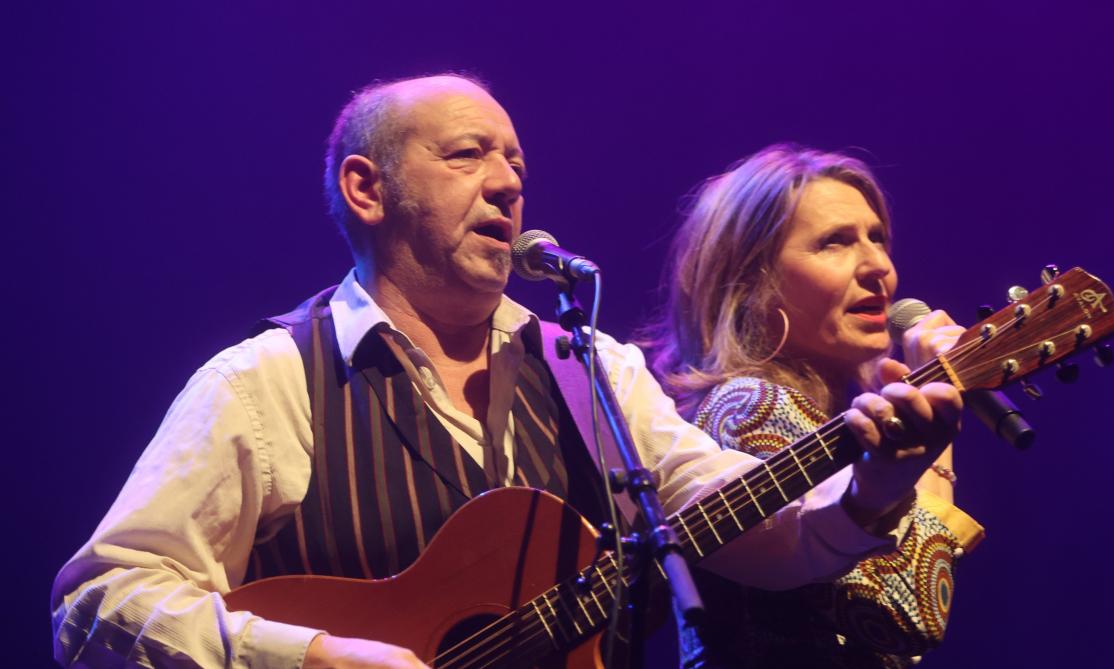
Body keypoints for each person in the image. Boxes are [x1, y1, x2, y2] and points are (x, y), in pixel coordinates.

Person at [51, 76, 963, 669]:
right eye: (466, 156)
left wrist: (874, 486)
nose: (507, 181)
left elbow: (741, 523)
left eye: (516, 161)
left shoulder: (588, 367)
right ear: (367, 190)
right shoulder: (267, 381)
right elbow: (103, 599)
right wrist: (314, 655)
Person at [642, 143, 985, 668]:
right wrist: (935, 426)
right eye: (834, 243)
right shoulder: (749, 405)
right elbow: (908, 612)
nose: (878, 267)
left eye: (879, 238)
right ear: (756, 283)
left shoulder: (812, 414)